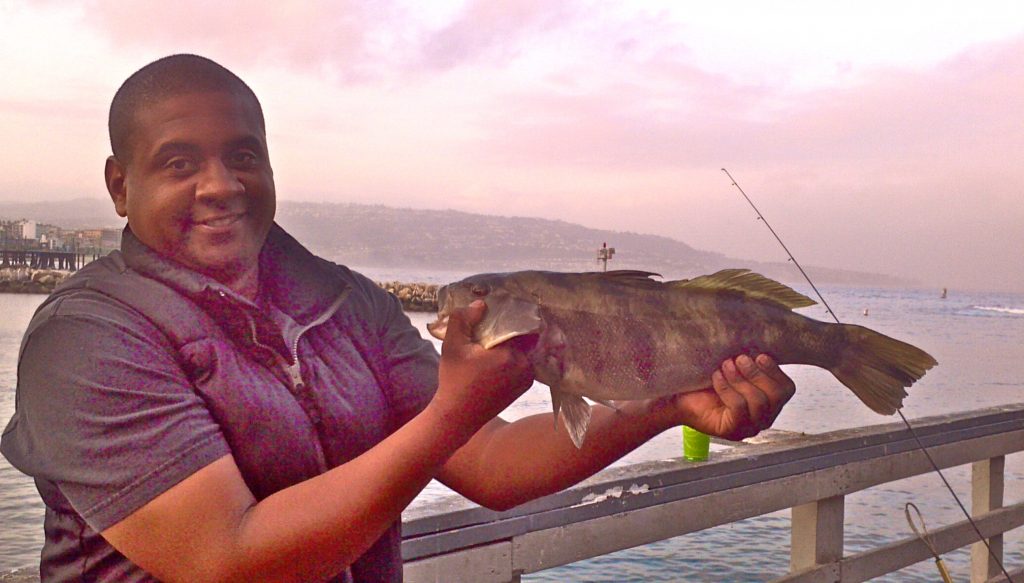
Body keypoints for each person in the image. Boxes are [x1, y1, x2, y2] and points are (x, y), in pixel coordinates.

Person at [0, 54, 796, 582]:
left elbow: (490, 463)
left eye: (244, 155)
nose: (221, 184)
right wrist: (453, 407)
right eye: (180, 162)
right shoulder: (87, 337)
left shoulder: (349, 303)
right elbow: (224, 557)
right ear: (118, 185)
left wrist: (667, 403)